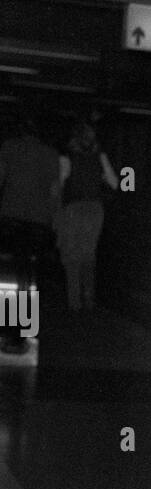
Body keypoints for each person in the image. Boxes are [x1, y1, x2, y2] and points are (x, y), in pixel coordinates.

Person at [0, 112, 60, 351]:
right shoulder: (51, 154)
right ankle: (26, 326)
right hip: (38, 220)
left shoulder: (8, 148)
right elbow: (55, 191)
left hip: (11, 216)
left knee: (11, 272)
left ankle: (9, 326)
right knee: (31, 273)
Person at [56, 121, 118, 312]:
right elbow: (115, 183)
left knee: (71, 255)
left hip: (73, 207)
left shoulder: (67, 155)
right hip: (95, 208)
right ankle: (88, 298)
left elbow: (60, 181)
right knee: (88, 254)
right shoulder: (100, 156)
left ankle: (74, 301)